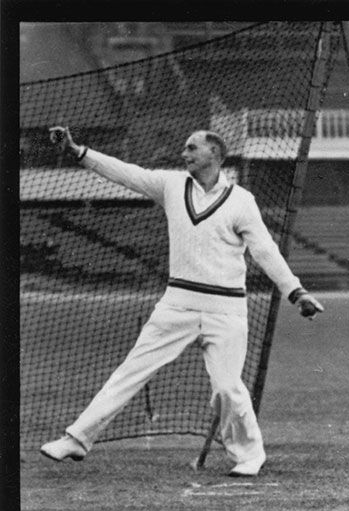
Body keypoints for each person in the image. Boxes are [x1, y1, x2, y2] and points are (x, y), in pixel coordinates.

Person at [39, 127, 325, 478]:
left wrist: (296, 292)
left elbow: (265, 250)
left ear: (215, 154)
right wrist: (77, 151)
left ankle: (249, 456)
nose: (184, 153)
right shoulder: (171, 185)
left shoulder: (241, 200)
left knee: (227, 387)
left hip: (227, 309)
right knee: (130, 372)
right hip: (176, 304)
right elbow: (127, 173)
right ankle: (77, 438)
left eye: (192, 148)